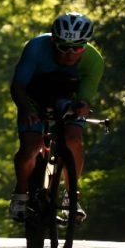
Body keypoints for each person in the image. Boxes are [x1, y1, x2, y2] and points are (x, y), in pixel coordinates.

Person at [9, 12, 105, 223]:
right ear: (53, 41)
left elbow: (85, 98)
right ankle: (21, 194)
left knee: (74, 140)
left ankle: (71, 197)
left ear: (85, 45)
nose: (70, 54)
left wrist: (83, 106)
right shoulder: (36, 48)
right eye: (64, 47)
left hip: (67, 99)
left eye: (77, 48)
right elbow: (18, 87)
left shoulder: (94, 60)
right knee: (30, 148)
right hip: (34, 97)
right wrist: (26, 110)